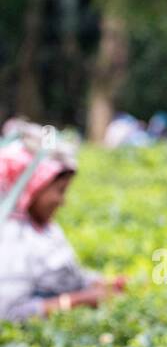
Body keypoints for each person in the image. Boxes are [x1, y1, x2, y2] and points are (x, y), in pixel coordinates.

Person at [0, 125, 125, 322]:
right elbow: (8, 313)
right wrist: (78, 301)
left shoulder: (43, 227)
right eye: (59, 190)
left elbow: (64, 275)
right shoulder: (9, 238)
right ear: (32, 187)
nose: (62, 201)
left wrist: (102, 283)